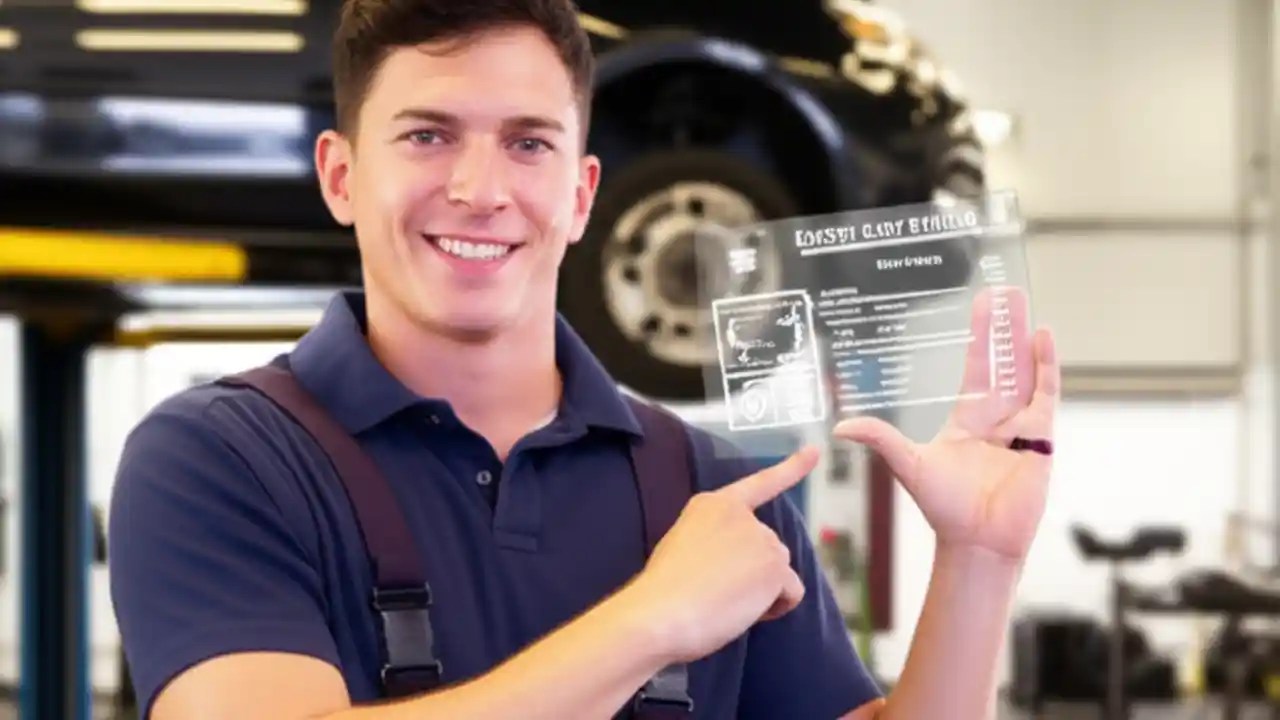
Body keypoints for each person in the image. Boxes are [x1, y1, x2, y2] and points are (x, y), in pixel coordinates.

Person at [106, 1, 1061, 718]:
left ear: (581, 193)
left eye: (528, 143)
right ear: (341, 176)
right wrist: (652, 622)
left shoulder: (714, 488)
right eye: (429, 135)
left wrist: (977, 558)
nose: (481, 190)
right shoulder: (220, 461)